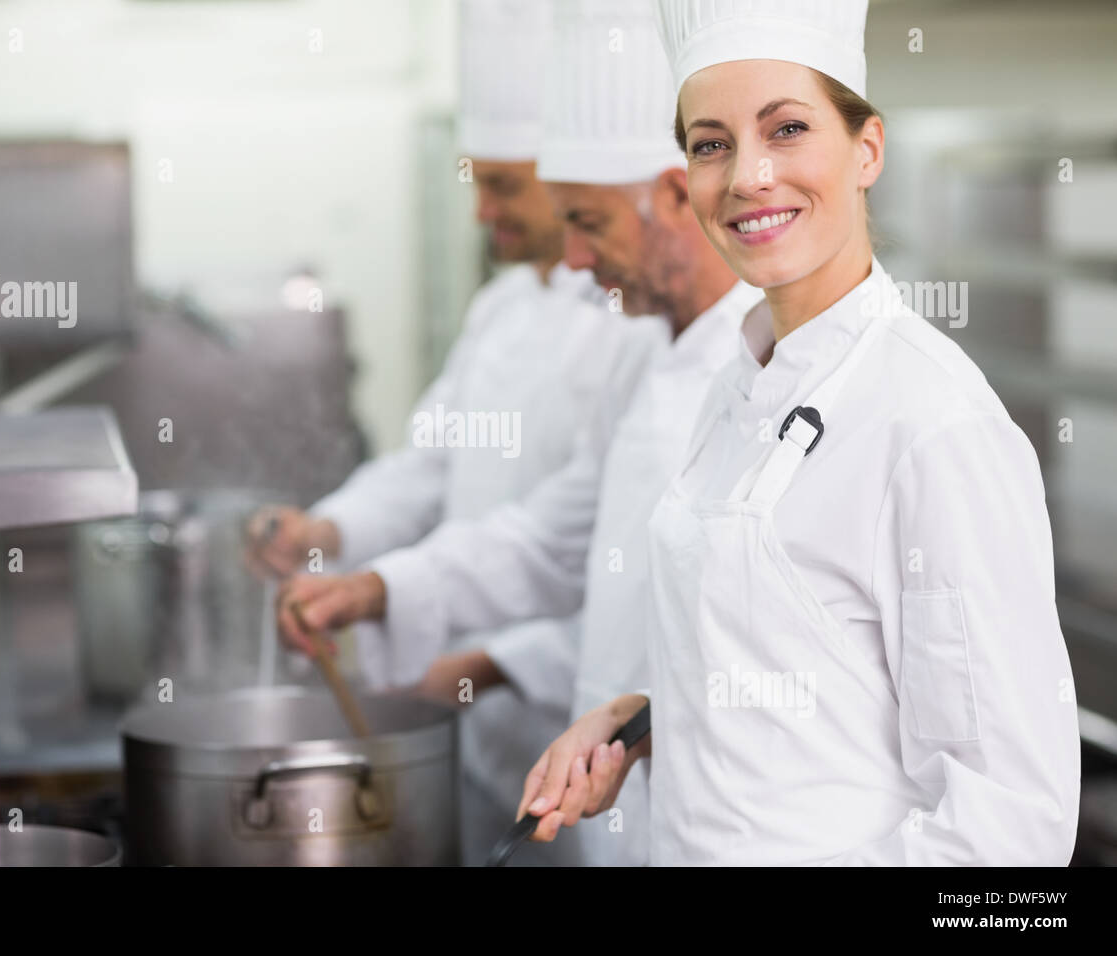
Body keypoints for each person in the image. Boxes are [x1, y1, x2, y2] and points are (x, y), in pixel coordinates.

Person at [518, 0, 1081, 865]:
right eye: (711, 143)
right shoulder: (738, 388)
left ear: (868, 149)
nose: (747, 176)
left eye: (786, 128)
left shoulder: (934, 427)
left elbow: (1012, 831)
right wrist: (633, 724)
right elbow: (805, 686)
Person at [274, 0, 760, 865]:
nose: (572, 263)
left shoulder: (772, 375)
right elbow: (549, 537)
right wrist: (375, 585)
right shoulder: (653, 357)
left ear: (675, 196)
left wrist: (490, 658)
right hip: (601, 801)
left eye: (589, 222)